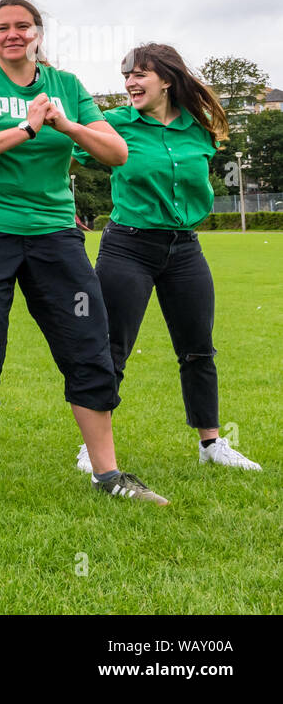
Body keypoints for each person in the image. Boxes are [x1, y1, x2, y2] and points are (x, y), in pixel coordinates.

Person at [0, 0, 167, 510]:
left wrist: (65, 124)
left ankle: (107, 473)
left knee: (87, 343)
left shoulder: (66, 87)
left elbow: (117, 152)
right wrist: (25, 128)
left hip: (53, 233)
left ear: (39, 33)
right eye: (3, 27)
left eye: (24, 25)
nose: (13, 34)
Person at [74, 44, 260, 472]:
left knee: (198, 349)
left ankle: (211, 444)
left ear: (167, 80)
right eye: (127, 76)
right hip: (128, 246)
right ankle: (93, 447)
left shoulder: (198, 129)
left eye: (140, 74)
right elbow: (73, 148)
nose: (130, 83)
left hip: (184, 248)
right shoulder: (115, 123)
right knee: (111, 348)